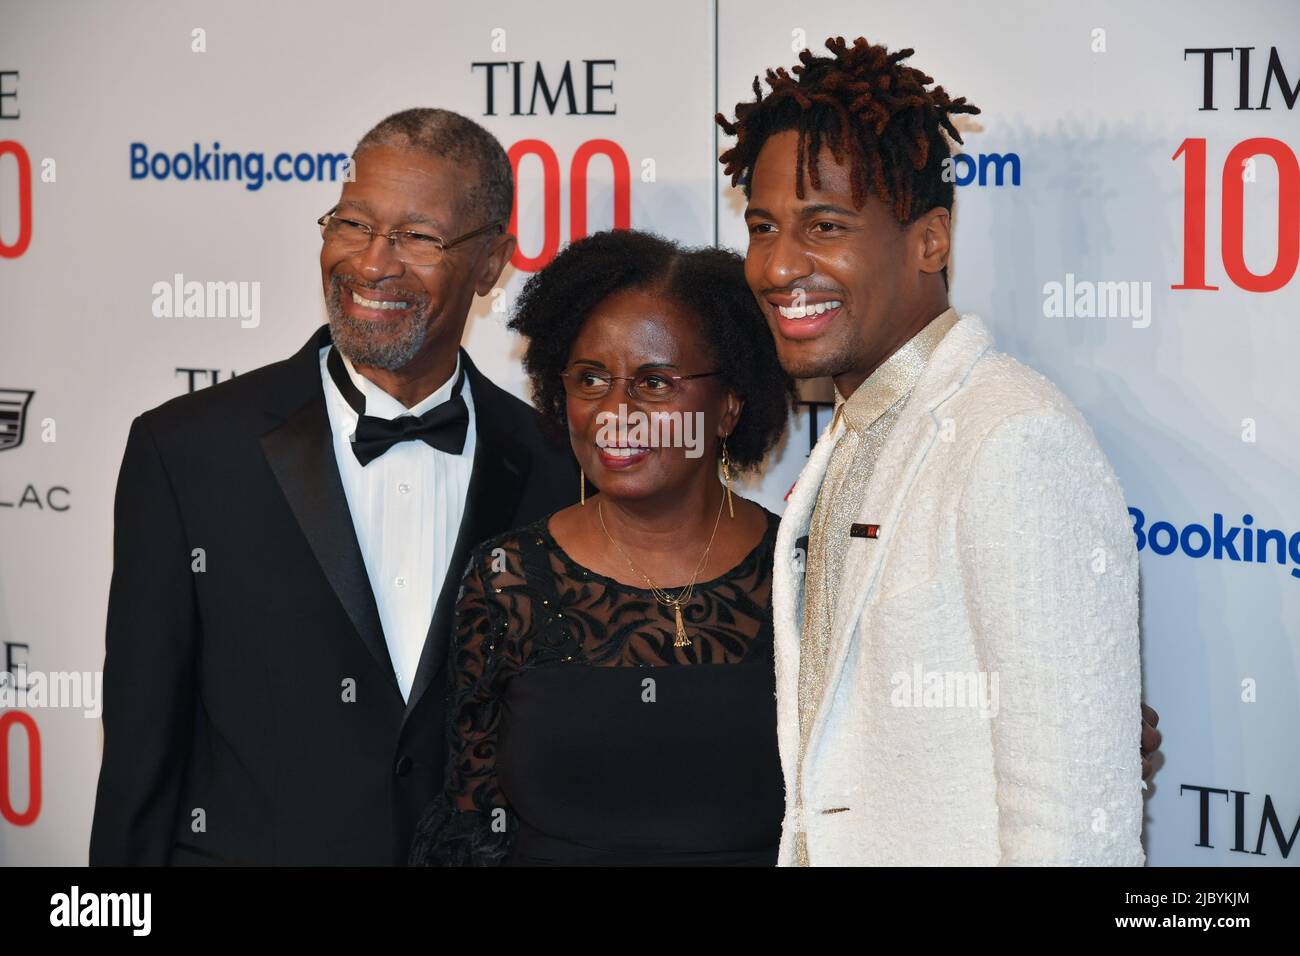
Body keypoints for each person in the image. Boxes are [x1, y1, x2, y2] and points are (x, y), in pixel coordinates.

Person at [89, 108, 578, 865]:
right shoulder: (186, 453)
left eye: (418, 238)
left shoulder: (558, 464)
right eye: (352, 223)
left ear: (491, 264)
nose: (373, 263)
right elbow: (140, 758)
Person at [716, 35, 1154, 865]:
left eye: (826, 226)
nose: (778, 266)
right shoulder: (858, 426)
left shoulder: (1015, 441)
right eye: (764, 227)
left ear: (931, 241)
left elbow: (1072, 829)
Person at [409, 229, 796, 865]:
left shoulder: (800, 574)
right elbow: (472, 825)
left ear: (728, 407)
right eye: (591, 378)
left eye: (655, 382)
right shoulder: (508, 582)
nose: (614, 410)